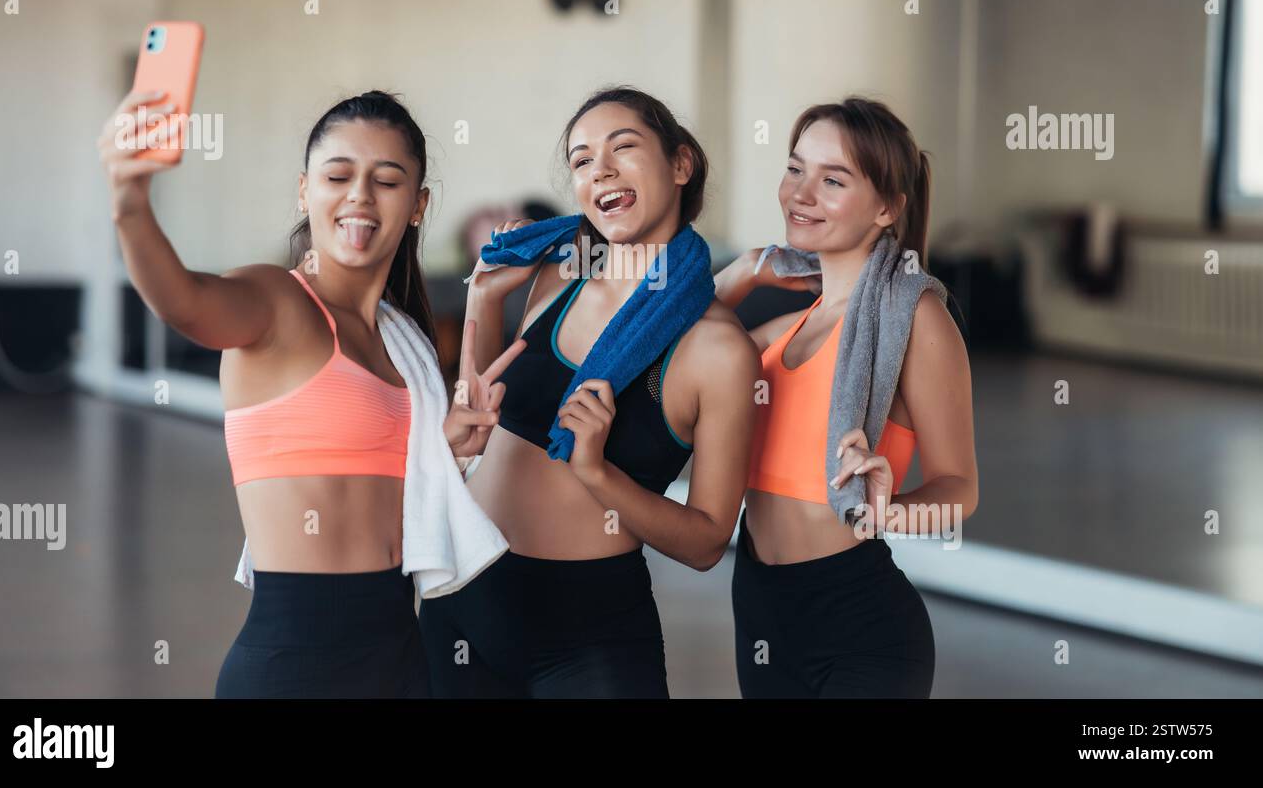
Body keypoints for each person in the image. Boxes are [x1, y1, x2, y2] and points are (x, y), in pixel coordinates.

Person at [97, 88, 518, 697]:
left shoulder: (405, 343)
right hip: (291, 671)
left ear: (419, 204)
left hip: (401, 661)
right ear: (304, 190)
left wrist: (444, 448)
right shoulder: (277, 305)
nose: (360, 196)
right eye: (338, 175)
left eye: (388, 180)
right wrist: (129, 202)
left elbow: (407, 491)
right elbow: (183, 301)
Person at [417, 86, 760, 697]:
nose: (599, 168)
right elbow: (478, 417)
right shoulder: (556, 276)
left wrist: (598, 473)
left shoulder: (719, 351)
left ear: (681, 164)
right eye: (580, 160)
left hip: (587, 637)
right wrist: (484, 297)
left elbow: (708, 541)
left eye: (623, 148)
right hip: (465, 602)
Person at [713, 97, 979, 698]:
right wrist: (740, 274)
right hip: (760, 610)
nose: (801, 194)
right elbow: (660, 356)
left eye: (833, 179)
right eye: (795, 168)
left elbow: (959, 491)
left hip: (862, 626)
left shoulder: (916, 317)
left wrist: (889, 511)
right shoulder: (775, 335)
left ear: (888, 208)